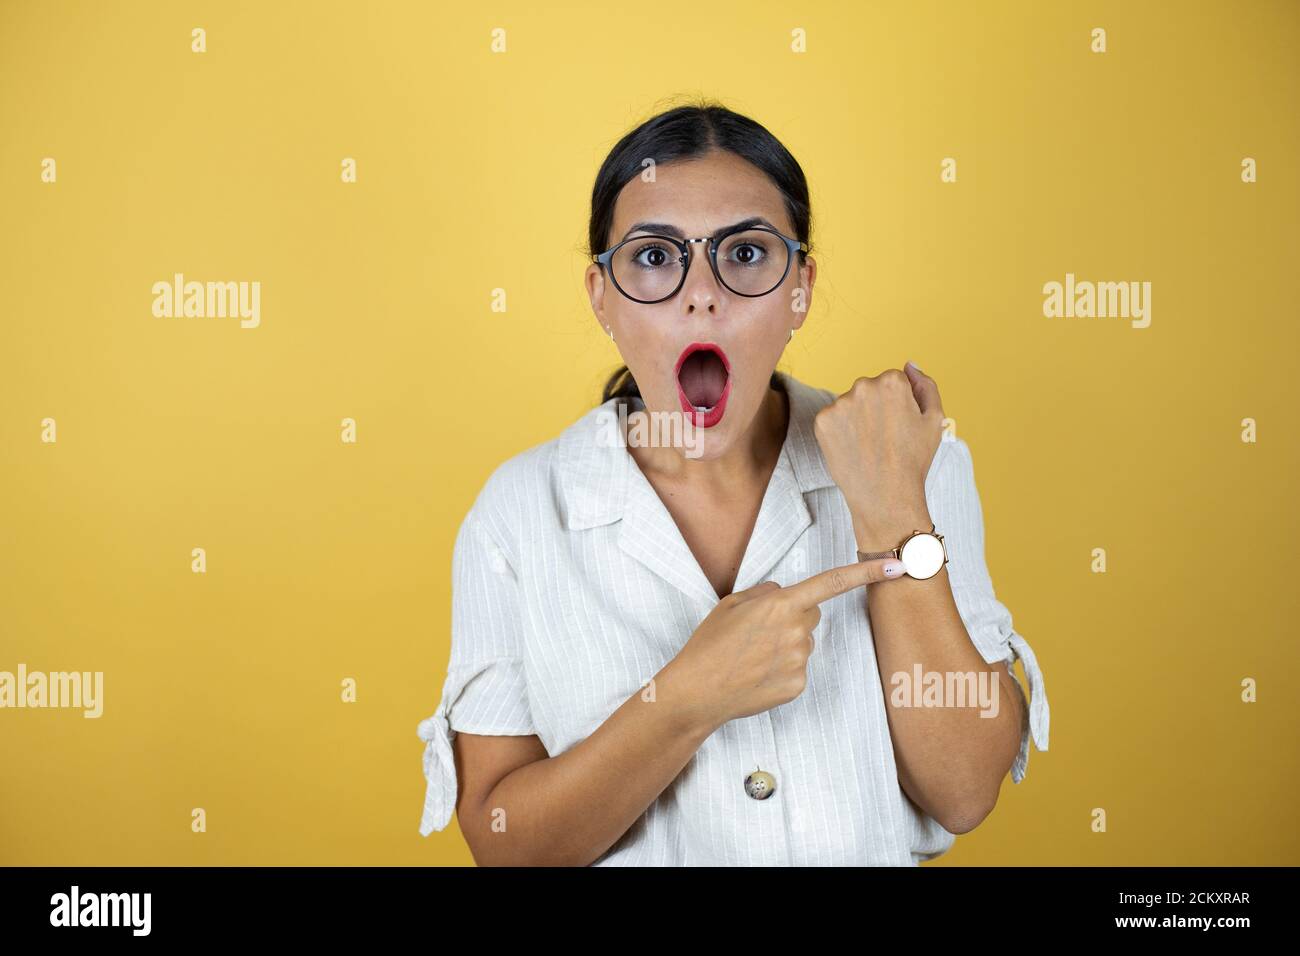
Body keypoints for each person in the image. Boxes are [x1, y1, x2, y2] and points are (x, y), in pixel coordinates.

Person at [416, 101, 1049, 866]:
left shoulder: (912, 459)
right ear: (601, 298)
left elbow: (964, 787)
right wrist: (688, 697)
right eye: (654, 257)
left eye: (745, 254)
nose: (701, 294)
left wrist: (894, 515)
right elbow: (507, 844)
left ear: (800, 291)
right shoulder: (516, 513)